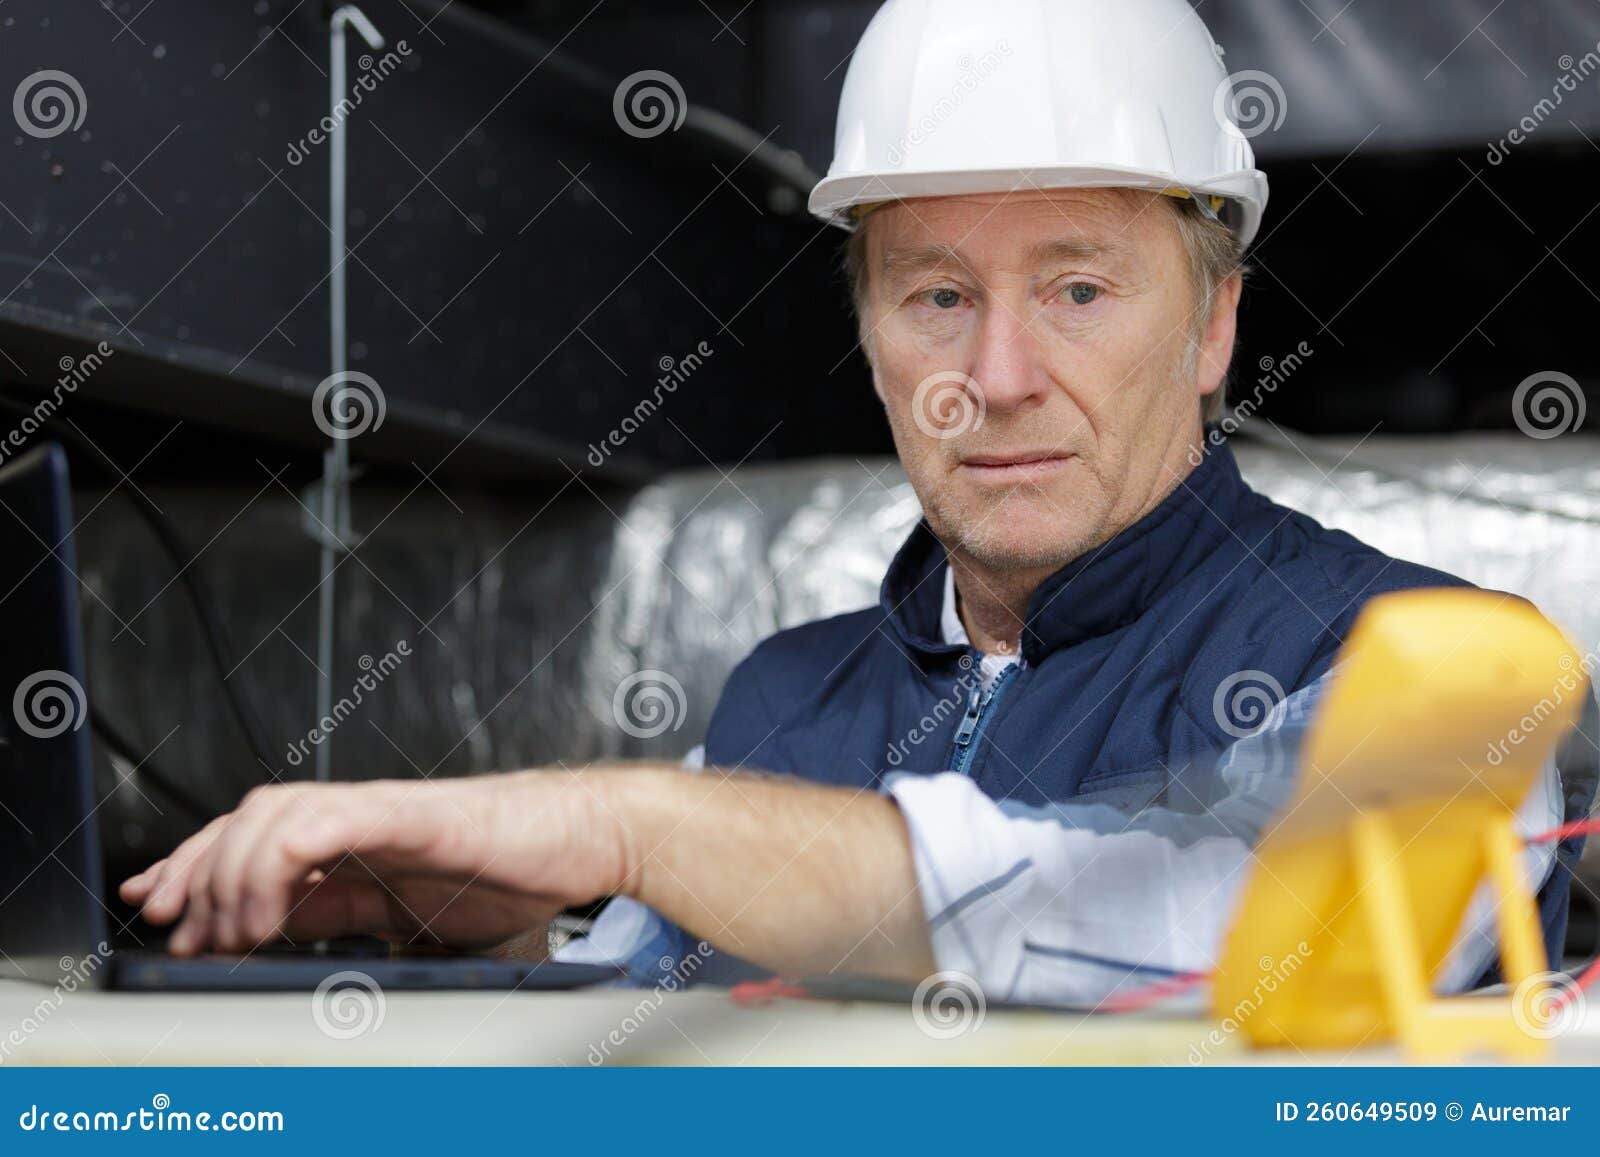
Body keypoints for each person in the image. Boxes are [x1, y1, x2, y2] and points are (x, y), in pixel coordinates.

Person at [120, 0, 1588, 1005]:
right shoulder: (781, 700)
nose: (996, 375)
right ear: (873, 337)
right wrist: (468, 925)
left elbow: (1237, 930)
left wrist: (633, 820)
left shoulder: (1429, 658)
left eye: (1078, 287)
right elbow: (635, 994)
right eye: (938, 294)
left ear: (1211, 328)